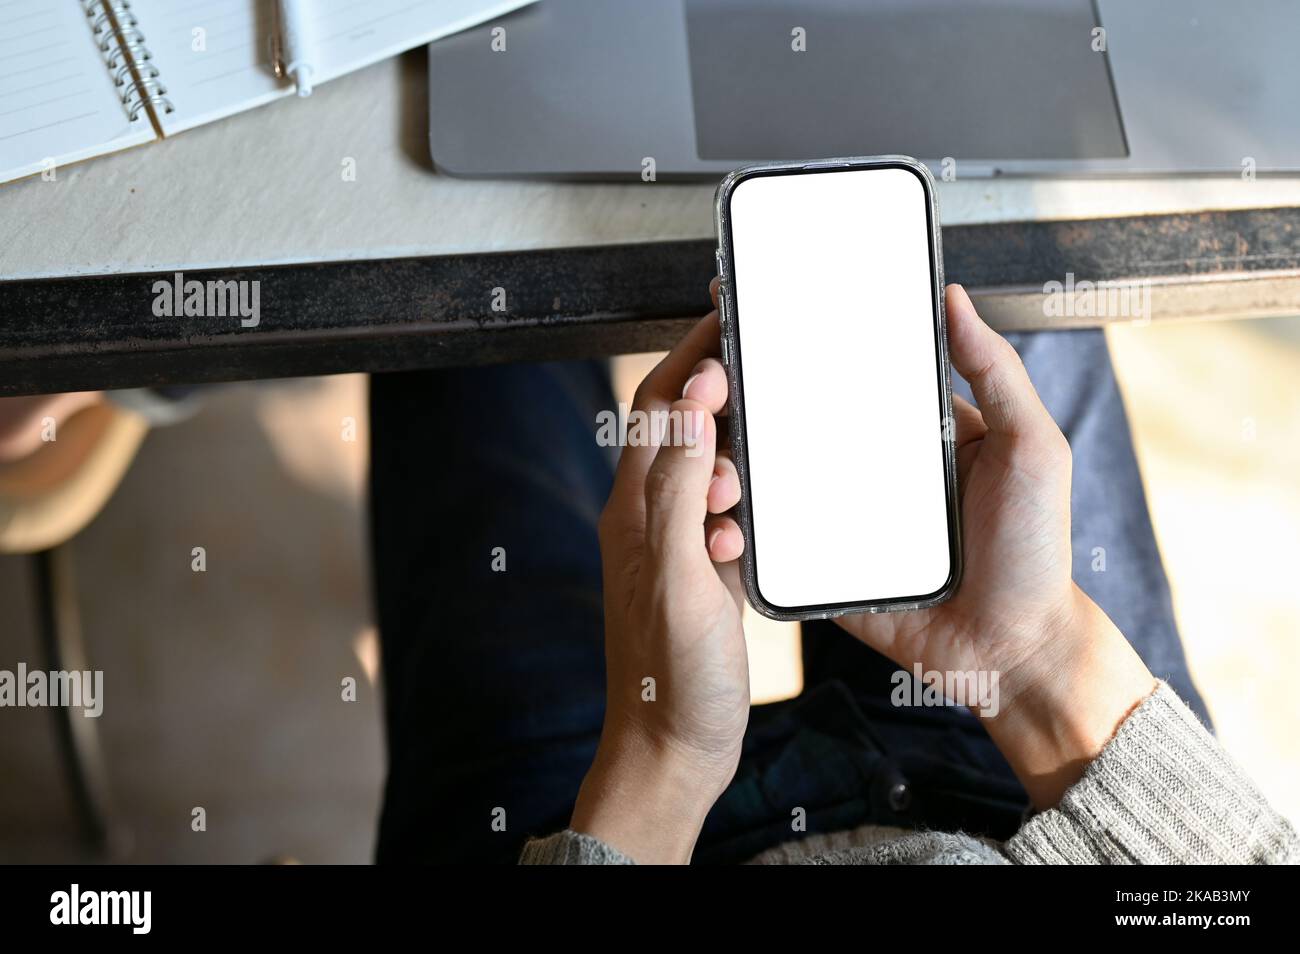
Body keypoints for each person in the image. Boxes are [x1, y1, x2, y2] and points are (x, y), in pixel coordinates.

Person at [370, 283, 1297, 864]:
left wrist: (661, 751)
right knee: (992, 239)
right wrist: (1034, 657)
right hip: (1041, 792)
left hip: (602, 820)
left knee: (449, 305)